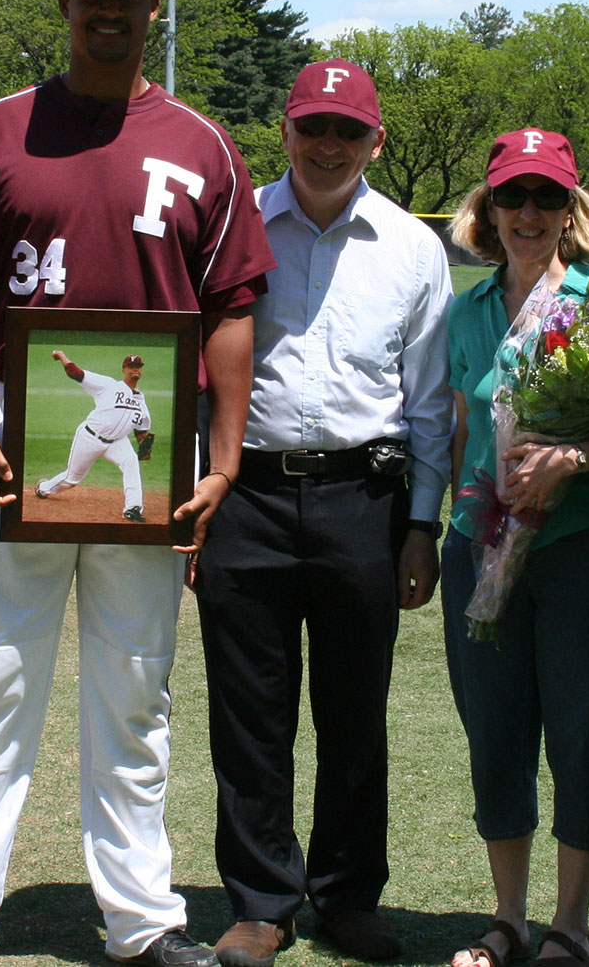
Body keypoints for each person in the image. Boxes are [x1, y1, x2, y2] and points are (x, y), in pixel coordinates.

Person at [0, 0, 275, 967]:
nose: (109, 11)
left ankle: (141, 917)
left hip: (149, 451)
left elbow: (230, 313)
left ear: (153, 9)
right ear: (64, 5)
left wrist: (223, 460)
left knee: (134, 685)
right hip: (20, 425)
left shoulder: (202, 143)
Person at [194, 59, 451, 967]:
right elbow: (196, 375)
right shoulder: (234, 226)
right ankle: (263, 900)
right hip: (246, 494)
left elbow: (426, 404)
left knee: (354, 711)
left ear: (375, 139)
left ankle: (346, 893)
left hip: (364, 498)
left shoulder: (414, 247)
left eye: (349, 129)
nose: (330, 144)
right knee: (248, 712)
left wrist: (422, 524)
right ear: (287, 131)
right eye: (315, 127)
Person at [439, 129, 589, 967]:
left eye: (546, 197)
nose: (527, 213)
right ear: (487, 209)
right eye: (511, 197)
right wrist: (461, 526)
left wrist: (570, 461)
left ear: (571, 209)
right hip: (479, 551)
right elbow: (455, 436)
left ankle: (570, 926)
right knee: (496, 731)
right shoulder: (469, 309)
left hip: (582, 547)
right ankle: (510, 917)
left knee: (586, 733)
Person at [34, 351, 153, 520]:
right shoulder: (109, 385)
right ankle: (43, 488)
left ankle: (133, 508)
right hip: (90, 437)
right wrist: (61, 356)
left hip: (117, 442)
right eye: (131, 366)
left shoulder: (141, 400)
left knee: (131, 462)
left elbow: (141, 430)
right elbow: (76, 373)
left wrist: (145, 444)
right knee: (72, 479)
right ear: (124, 369)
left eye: (138, 367)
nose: (135, 369)